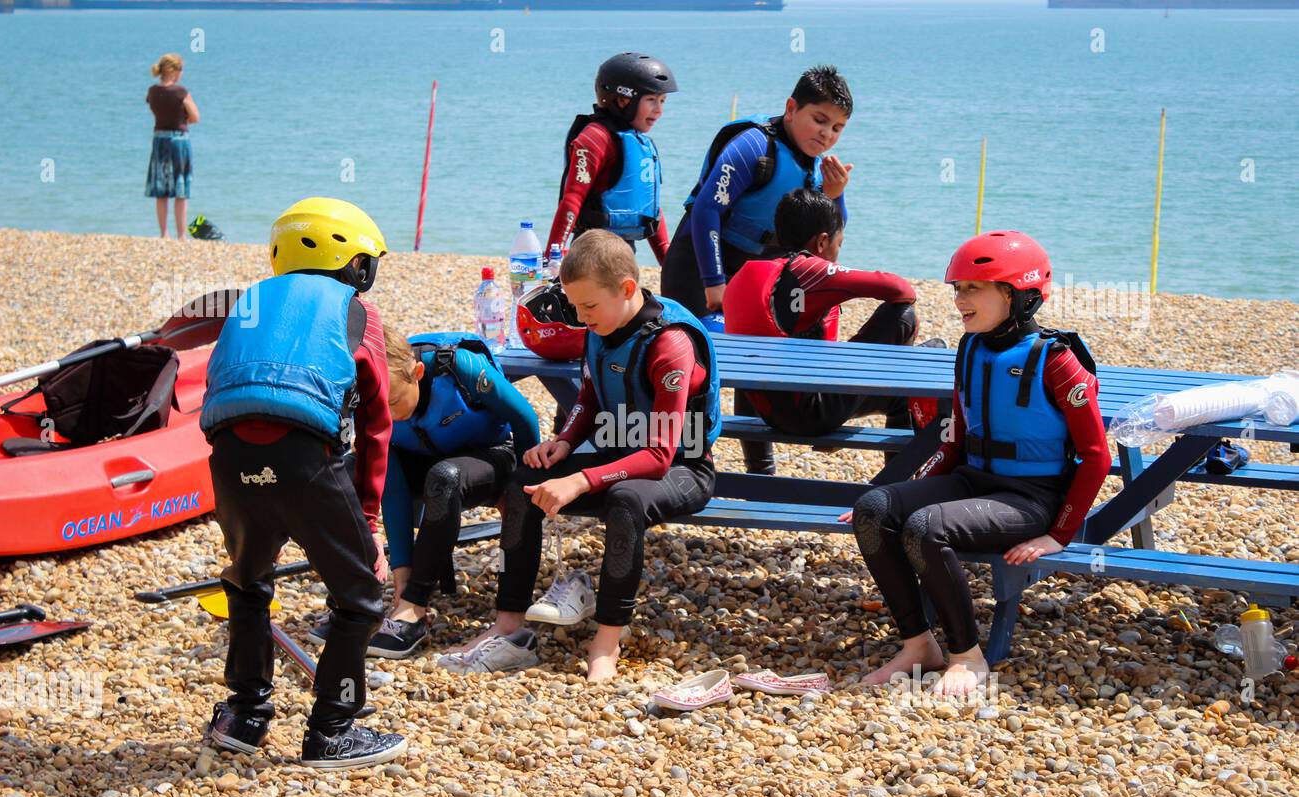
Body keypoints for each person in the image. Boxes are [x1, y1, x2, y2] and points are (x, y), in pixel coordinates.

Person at [444, 230, 720, 682]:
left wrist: (580, 480)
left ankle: (608, 639)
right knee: (521, 482)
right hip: (620, 455)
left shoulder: (671, 346)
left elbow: (659, 456)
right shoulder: (600, 327)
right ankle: (509, 626)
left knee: (626, 501)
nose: (580, 317)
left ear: (627, 289)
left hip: (683, 468)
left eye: (588, 307)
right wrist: (566, 443)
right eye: (575, 306)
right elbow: (591, 397)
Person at [842, 231, 1109, 697]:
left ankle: (968, 657)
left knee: (926, 527)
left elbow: (1096, 456)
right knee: (873, 509)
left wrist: (1057, 534)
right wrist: (898, 497)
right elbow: (956, 443)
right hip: (973, 480)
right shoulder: (969, 348)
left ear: (1017, 295)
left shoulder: (1057, 360)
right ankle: (919, 645)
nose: (959, 300)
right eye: (957, 288)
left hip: (1031, 497)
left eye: (973, 288)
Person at [200, 197, 405, 769]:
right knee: (361, 597)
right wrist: (368, 522)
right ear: (356, 265)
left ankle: (245, 714)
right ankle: (332, 731)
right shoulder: (358, 312)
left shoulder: (248, 302)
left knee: (246, 585)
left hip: (231, 460)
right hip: (308, 463)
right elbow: (376, 426)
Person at [723, 188, 934, 474]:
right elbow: (900, 290)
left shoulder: (749, 275)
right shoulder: (809, 270)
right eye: (839, 243)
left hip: (768, 412)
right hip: (813, 414)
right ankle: (894, 486)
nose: (837, 252)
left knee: (756, 354)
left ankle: (760, 469)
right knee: (903, 316)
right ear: (822, 242)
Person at [373, 329, 541, 659]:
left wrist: (523, 488)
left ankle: (415, 606)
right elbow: (392, 494)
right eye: (381, 407)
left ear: (417, 374)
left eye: (394, 402)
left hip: (493, 454)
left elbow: (525, 419)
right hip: (430, 459)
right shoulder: (375, 402)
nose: (389, 415)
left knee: (445, 476)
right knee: (351, 470)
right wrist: (401, 573)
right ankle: (360, 603)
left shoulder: (459, 366)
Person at [660, 64, 854, 319]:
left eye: (837, 128)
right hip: (699, 264)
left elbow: (829, 245)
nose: (826, 134)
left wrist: (835, 195)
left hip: (757, 272)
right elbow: (707, 210)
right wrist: (714, 281)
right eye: (819, 120)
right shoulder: (752, 146)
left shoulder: (818, 169)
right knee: (699, 351)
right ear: (791, 109)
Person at [548, 53, 677, 264]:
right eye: (651, 100)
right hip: (592, 250)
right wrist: (550, 259)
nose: (659, 110)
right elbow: (572, 199)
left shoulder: (639, 143)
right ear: (623, 100)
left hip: (623, 253)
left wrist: (668, 261)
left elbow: (649, 205)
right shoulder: (595, 138)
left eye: (663, 101)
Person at [145, 53, 199, 239]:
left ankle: (163, 233)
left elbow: (155, 110)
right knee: (180, 189)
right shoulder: (181, 92)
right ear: (174, 70)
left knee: (161, 189)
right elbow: (195, 117)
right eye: (181, 69)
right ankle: (182, 234)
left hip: (159, 140)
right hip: (178, 141)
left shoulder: (152, 91)